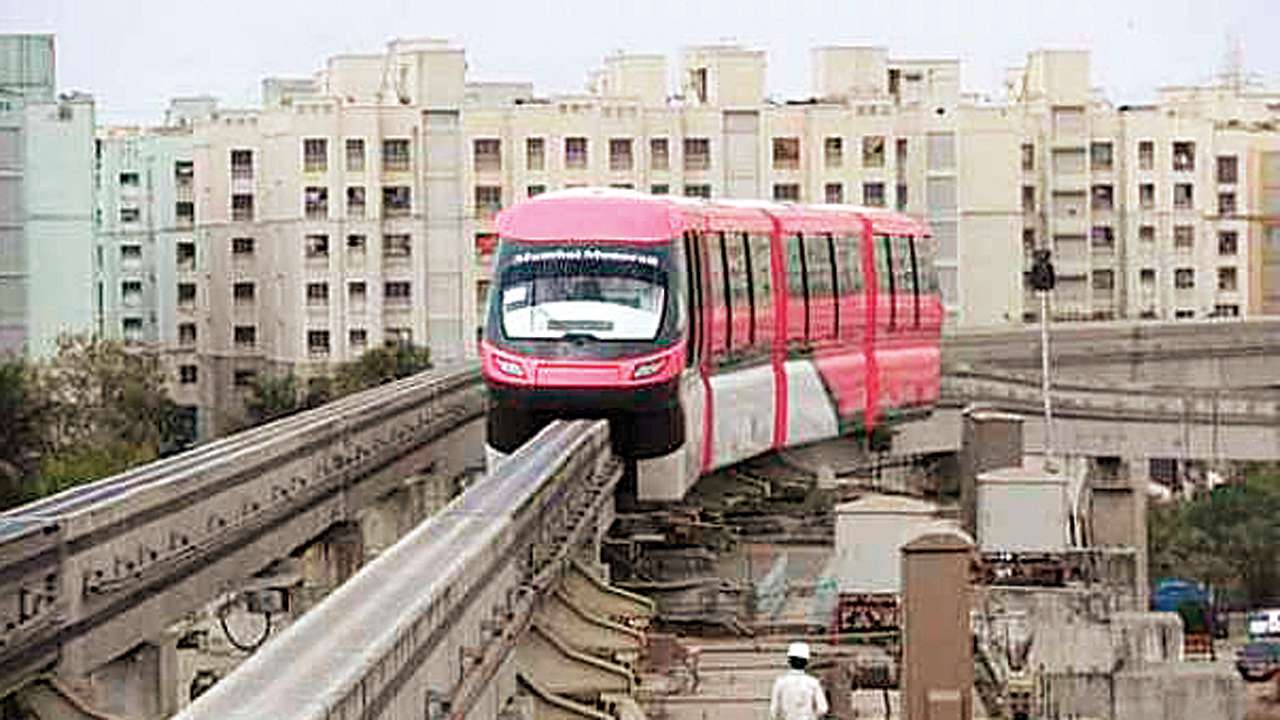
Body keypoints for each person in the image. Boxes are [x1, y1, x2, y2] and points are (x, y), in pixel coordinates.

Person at [770, 641, 829, 720]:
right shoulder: (813, 682)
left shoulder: (780, 682)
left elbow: (774, 711)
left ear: (789, 661)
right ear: (806, 662)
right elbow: (823, 708)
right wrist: (813, 717)